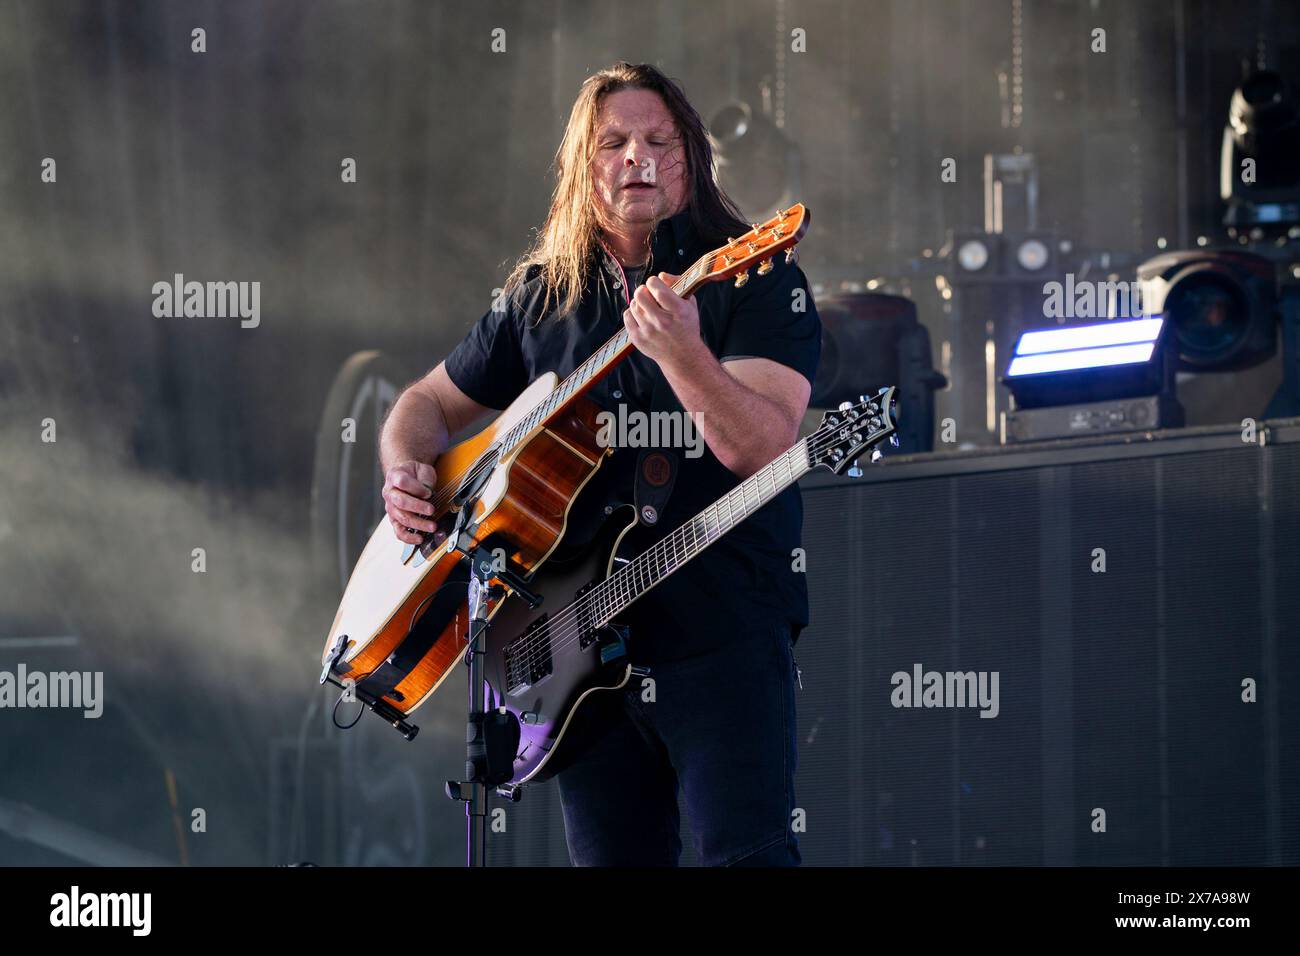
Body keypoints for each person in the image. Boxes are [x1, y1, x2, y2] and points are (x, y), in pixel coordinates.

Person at [377, 62, 820, 866]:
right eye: (614, 142)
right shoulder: (541, 298)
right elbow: (426, 405)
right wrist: (407, 467)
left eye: (658, 141)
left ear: (691, 160)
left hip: (720, 630)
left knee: (744, 857)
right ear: (584, 166)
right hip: (576, 652)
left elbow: (761, 447)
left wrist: (684, 355)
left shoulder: (757, 275)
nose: (636, 158)